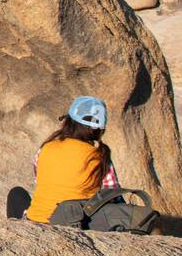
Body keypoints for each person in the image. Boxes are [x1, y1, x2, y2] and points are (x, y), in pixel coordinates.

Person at [22, 95, 119, 224]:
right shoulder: (100, 156)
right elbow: (111, 196)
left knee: (17, 195)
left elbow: (40, 181)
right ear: (100, 130)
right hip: (76, 222)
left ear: (68, 121)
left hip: (37, 219)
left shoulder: (46, 147)